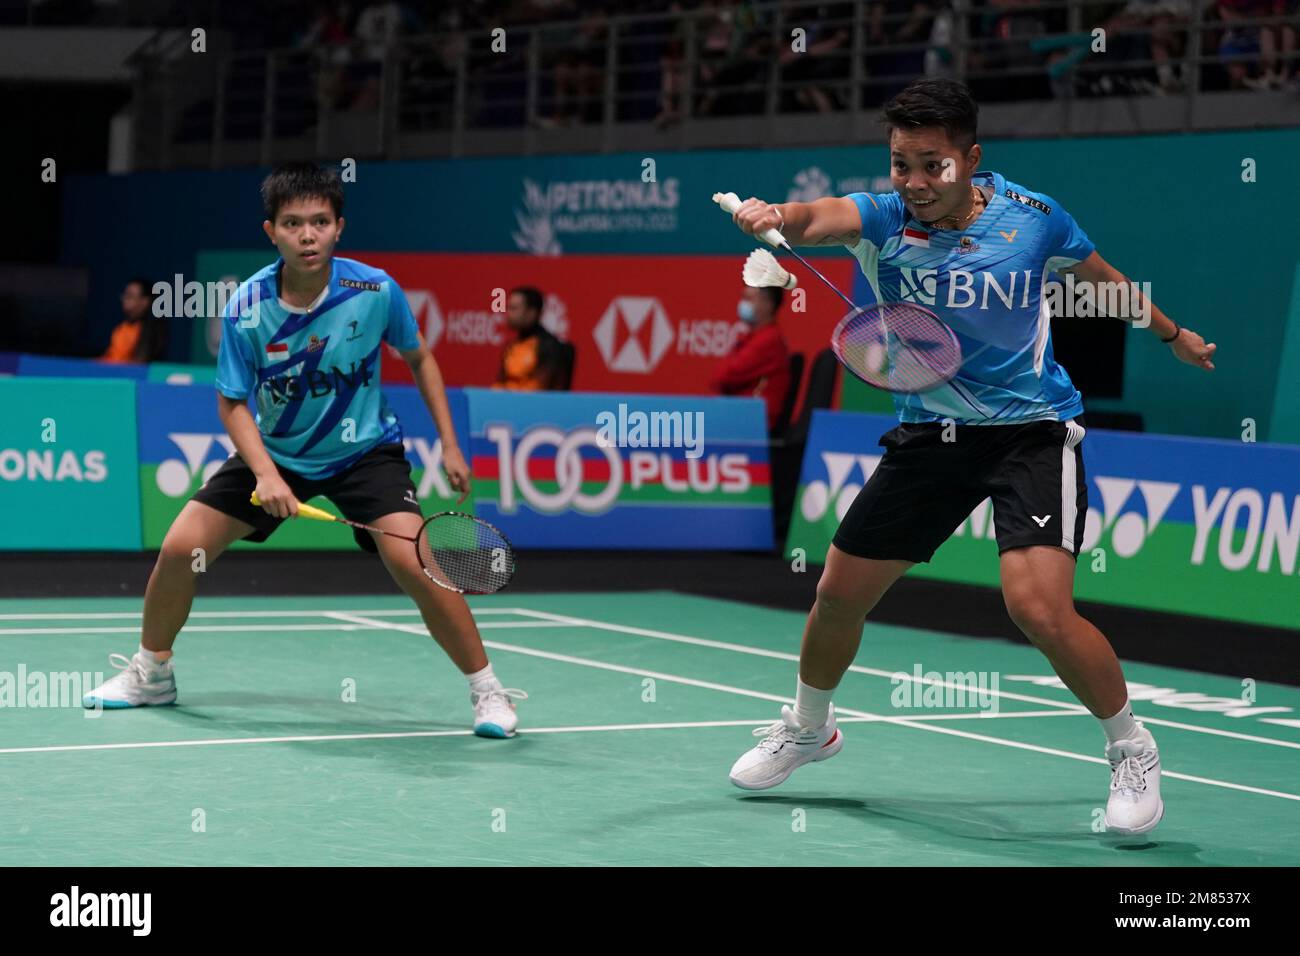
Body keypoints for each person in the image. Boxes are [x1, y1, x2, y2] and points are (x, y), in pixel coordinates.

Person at [725, 78, 1217, 836]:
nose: (915, 183)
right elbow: (816, 217)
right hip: (931, 436)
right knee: (837, 593)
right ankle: (809, 729)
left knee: (1038, 608)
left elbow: (1103, 281)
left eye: (932, 165)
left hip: (1031, 431)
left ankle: (1132, 748)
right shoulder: (884, 217)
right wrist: (775, 215)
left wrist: (1171, 332)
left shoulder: (1034, 219)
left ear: (971, 158)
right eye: (900, 164)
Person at [82, 162, 526, 738]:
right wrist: (266, 475)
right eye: (293, 223)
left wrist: (450, 444)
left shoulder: (374, 291)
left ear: (339, 226)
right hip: (278, 454)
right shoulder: (247, 306)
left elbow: (419, 358)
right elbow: (232, 403)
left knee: (415, 561)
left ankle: (487, 692)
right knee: (180, 550)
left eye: (320, 221)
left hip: (365, 454)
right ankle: (152, 673)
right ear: (272, 232)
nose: (308, 235)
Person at [709, 286, 792, 435]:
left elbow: (722, 377)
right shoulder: (750, 338)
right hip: (737, 416)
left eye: (749, 299)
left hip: (752, 423)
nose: (742, 304)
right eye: (743, 298)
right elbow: (716, 378)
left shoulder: (769, 341)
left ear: (768, 305)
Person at [495, 286, 568, 390]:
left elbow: (541, 389)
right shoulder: (512, 346)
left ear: (531, 313)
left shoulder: (549, 347)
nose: (509, 314)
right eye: (508, 308)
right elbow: (500, 383)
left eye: (514, 309)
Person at [102, 278, 167, 363]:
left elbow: (139, 363)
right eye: (124, 295)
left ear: (145, 301)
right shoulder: (121, 328)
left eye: (130, 296)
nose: (125, 299)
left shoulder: (150, 330)